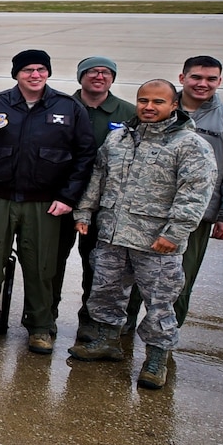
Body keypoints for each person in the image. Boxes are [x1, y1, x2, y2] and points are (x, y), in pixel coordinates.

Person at [68, 79, 217, 391]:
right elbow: (98, 176)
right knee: (106, 291)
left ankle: (156, 357)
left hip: (156, 242)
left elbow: (194, 195)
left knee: (160, 302)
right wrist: (84, 213)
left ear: (173, 105)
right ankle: (107, 342)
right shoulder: (118, 138)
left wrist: (175, 233)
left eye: (158, 102)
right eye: (143, 100)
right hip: (112, 234)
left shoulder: (190, 146)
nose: (149, 107)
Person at [0, 49, 97, 354]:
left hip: (45, 204)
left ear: (48, 72)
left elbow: (85, 157)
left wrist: (67, 197)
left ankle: (39, 328)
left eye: (41, 70)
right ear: (16, 74)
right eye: (28, 70)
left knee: (41, 268)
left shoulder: (69, 108)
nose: (35, 75)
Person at [168, 55, 223, 327]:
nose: (202, 84)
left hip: (194, 216)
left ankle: (165, 338)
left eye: (210, 79)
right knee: (135, 279)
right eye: (196, 77)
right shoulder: (158, 107)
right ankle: (122, 331)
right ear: (182, 78)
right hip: (148, 210)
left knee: (180, 280)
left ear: (220, 81)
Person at [65, 55, 137, 337]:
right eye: (92, 71)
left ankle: (92, 321)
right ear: (80, 76)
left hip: (105, 206)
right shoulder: (61, 106)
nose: (99, 76)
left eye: (106, 72)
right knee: (50, 265)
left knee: (99, 268)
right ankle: (45, 318)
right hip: (61, 199)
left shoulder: (128, 113)